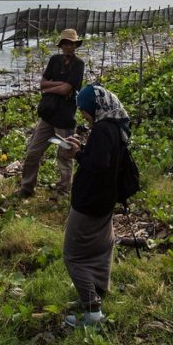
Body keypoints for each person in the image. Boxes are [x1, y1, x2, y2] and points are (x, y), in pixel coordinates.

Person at [59, 85, 130, 328]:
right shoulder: (115, 126)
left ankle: (92, 310)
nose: (83, 115)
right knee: (101, 247)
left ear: (95, 106)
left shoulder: (102, 130)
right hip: (105, 200)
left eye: (84, 109)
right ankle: (96, 291)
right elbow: (104, 159)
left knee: (73, 255)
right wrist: (84, 149)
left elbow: (97, 165)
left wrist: (77, 154)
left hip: (89, 202)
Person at [18, 29, 85, 198]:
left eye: (71, 44)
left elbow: (66, 90)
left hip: (64, 118)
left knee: (64, 155)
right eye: (66, 43)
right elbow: (42, 84)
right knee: (33, 152)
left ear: (75, 45)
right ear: (61, 45)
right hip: (48, 115)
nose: (69, 46)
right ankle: (27, 187)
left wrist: (53, 86)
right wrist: (59, 85)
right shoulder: (54, 60)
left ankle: (62, 191)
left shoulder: (79, 64)